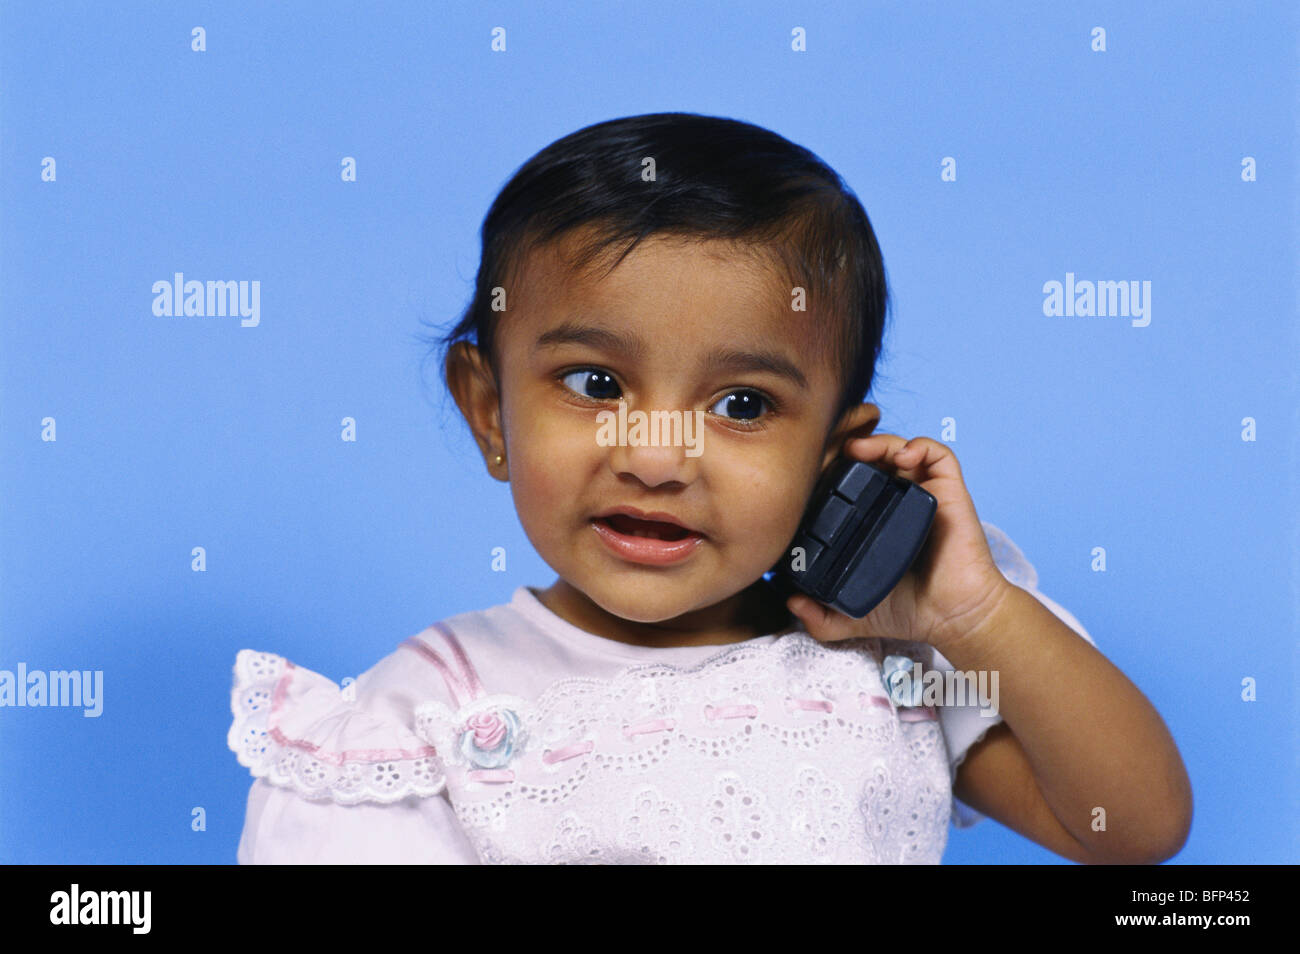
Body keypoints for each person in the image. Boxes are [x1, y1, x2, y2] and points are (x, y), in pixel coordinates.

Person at [228, 112, 1192, 864]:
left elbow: (1133, 827)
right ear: (490, 414)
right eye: (596, 385)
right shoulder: (426, 716)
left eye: (741, 404)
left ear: (832, 458)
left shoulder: (889, 667)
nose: (656, 456)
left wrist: (973, 615)